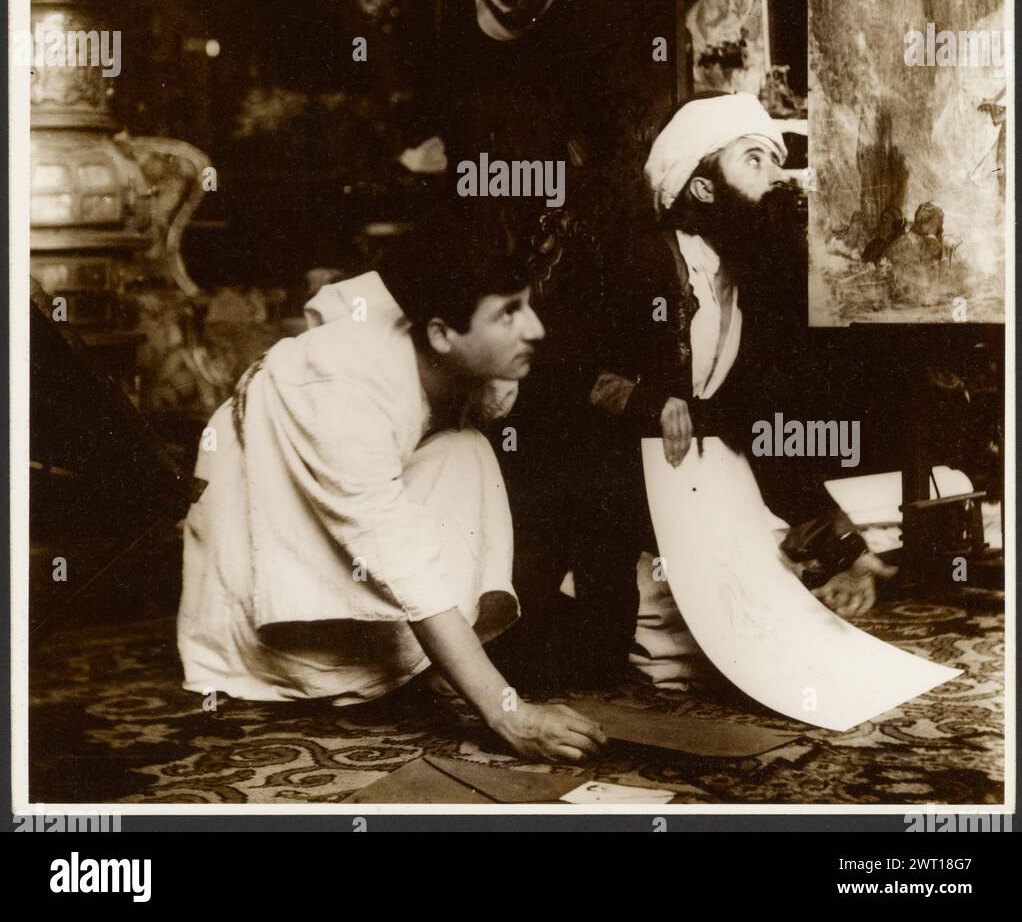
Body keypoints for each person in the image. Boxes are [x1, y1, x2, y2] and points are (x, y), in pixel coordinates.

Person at [177, 206, 605, 765]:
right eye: (508, 314)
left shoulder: (432, 321)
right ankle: (352, 672)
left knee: (465, 449)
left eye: (526, 306)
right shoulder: (340, 390)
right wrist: (506, 711)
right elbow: (400, 557)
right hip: (260, 522)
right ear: (441, 333)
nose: (535, 329)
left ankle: (424, 666)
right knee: (367, 622)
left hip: (352, 487)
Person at [525, 93, 893, 686]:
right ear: (700, 188)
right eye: (754, 161)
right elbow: (566, 378)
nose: (777, 180)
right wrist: (648, 401)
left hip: (701, 493)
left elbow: (762, 429)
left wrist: (845, 549)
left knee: (781, 646)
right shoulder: (640, 264)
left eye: (777, 163)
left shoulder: (755, 281)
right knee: (600, 659)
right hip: (618, 499)